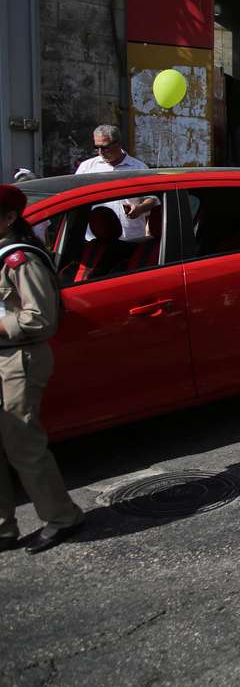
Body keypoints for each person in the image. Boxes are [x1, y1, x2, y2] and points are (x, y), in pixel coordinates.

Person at [0, 185, 86, 554]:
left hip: (18, 357)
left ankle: (62, 517)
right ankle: (3, 528)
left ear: (8, 218)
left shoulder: (21, 258)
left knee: (23, 445)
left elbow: (40, 319)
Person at [75, 124, 157, 240]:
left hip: (130, 238)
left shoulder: (139, 168)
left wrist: (140, 208)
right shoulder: (87, 168)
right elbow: (74, 198)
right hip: (95, 239)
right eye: (96, 147)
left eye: (104, 147)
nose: (100, 152)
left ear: (118, 144)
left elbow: (152, 198)